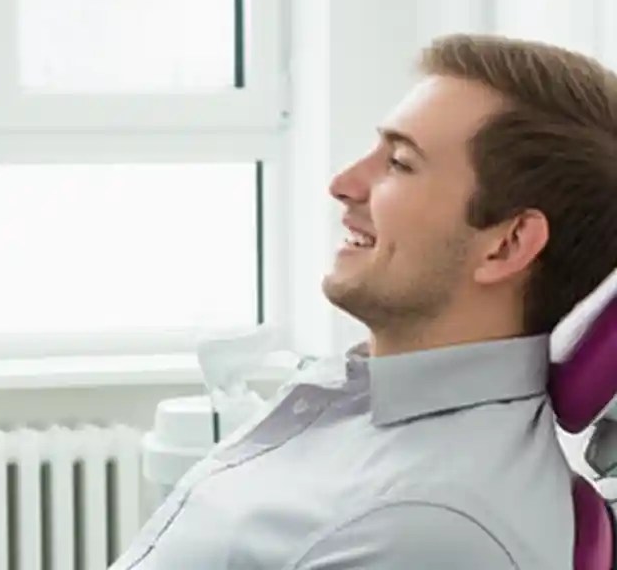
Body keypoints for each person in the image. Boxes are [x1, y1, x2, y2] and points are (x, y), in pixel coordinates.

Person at [112, 35, 617, 568]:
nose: (343, 183)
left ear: (506, 244)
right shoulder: (366, 405)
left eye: (400, 162)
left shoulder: (420, 527)